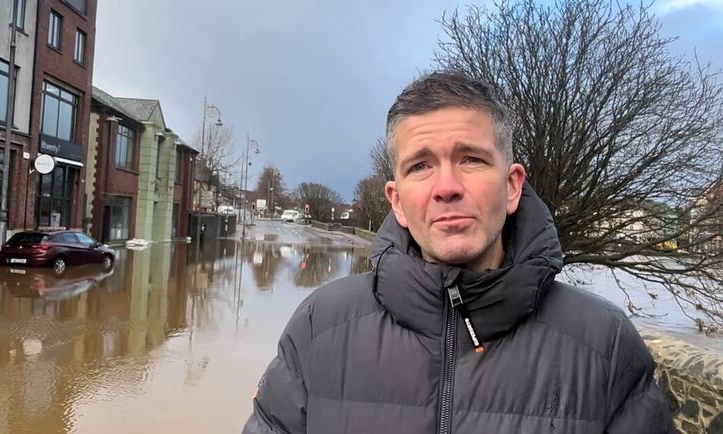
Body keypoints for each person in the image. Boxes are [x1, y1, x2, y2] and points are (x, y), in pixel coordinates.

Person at [242, 72, 675, 433]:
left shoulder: (606, 345)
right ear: (396, 201)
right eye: (421, 166)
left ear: (512, 186)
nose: (446, 187)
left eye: (470, 159)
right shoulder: (320, 327)